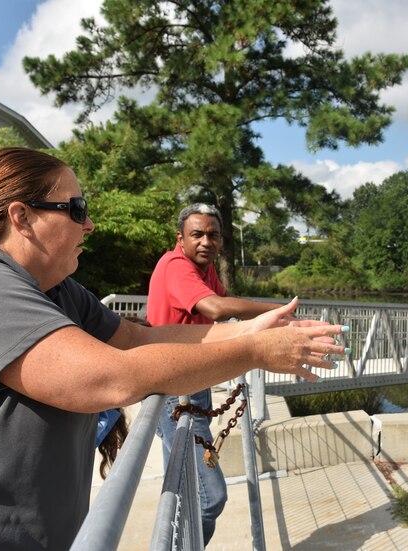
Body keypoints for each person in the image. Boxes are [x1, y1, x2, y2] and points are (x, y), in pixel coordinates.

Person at [0, 147, 346, 550]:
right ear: (22, 217)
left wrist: (251, 331)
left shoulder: (57, 290)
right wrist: (256, 353)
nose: (89, 224)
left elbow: (140, 337)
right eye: (76, 209)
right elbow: (109, 377)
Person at [147, 203, 286, 544]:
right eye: (197, 234)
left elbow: (222, 305)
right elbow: (214, 307)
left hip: (194, 385)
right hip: (175, 392)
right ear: (180, 238)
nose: (205, 241)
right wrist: (277, 311)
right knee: (210, 498)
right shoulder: (177, 266)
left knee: (180, 494)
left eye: (213, 235)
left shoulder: (203, 270)